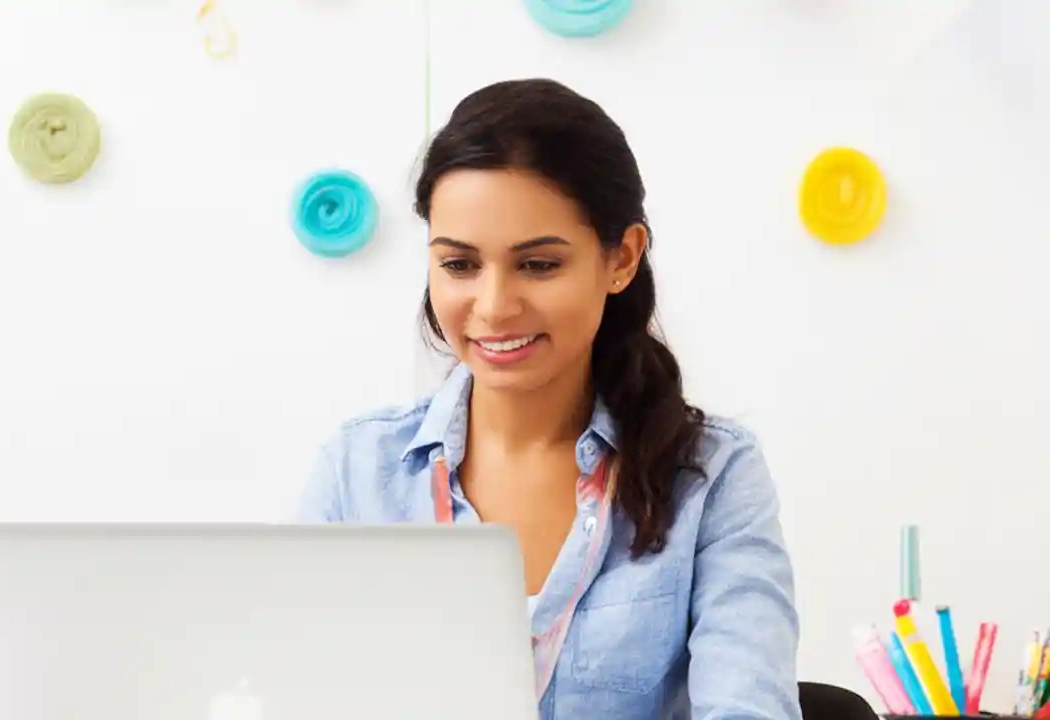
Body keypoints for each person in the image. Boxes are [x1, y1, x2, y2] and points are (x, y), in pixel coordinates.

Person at [297, 78, 801, 720]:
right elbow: (296, 689)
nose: (493, 307)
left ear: (621, 259)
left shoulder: (712, 474)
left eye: (537, 265)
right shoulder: (357, 467)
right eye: (459, 265)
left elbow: (746, 707)